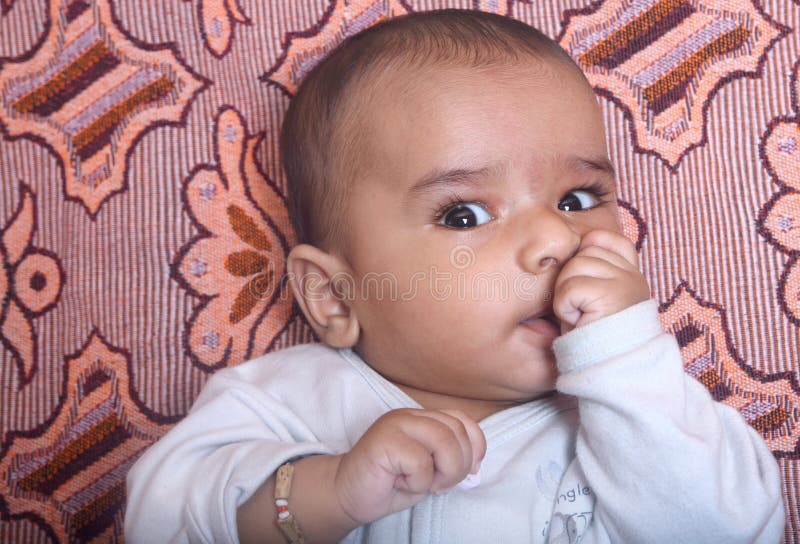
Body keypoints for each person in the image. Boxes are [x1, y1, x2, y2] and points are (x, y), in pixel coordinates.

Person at [125, 9, 785, 543]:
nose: (558, 238)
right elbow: (159, 520)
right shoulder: (287, 401)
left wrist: (626, 360)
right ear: (334, 295)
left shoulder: (641, 408)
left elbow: (726, 528)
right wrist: (328, 493)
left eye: (579, 199)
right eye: (464, 214)